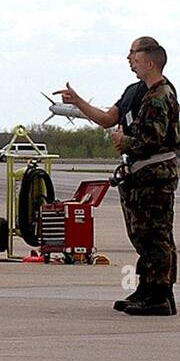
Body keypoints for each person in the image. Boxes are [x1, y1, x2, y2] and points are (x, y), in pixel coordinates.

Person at [58, 37, 177, 315]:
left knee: (156, 236)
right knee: (142, 236)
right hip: (139, 175)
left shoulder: (161, 95)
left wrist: (125, 141)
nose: (129, 59)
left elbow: (154, 140)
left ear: (150, 61)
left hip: (155, 175)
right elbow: (107, 119)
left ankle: (160, 295)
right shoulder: (135, 92)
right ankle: (148, 288)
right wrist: (78, 102)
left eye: (133, 54)